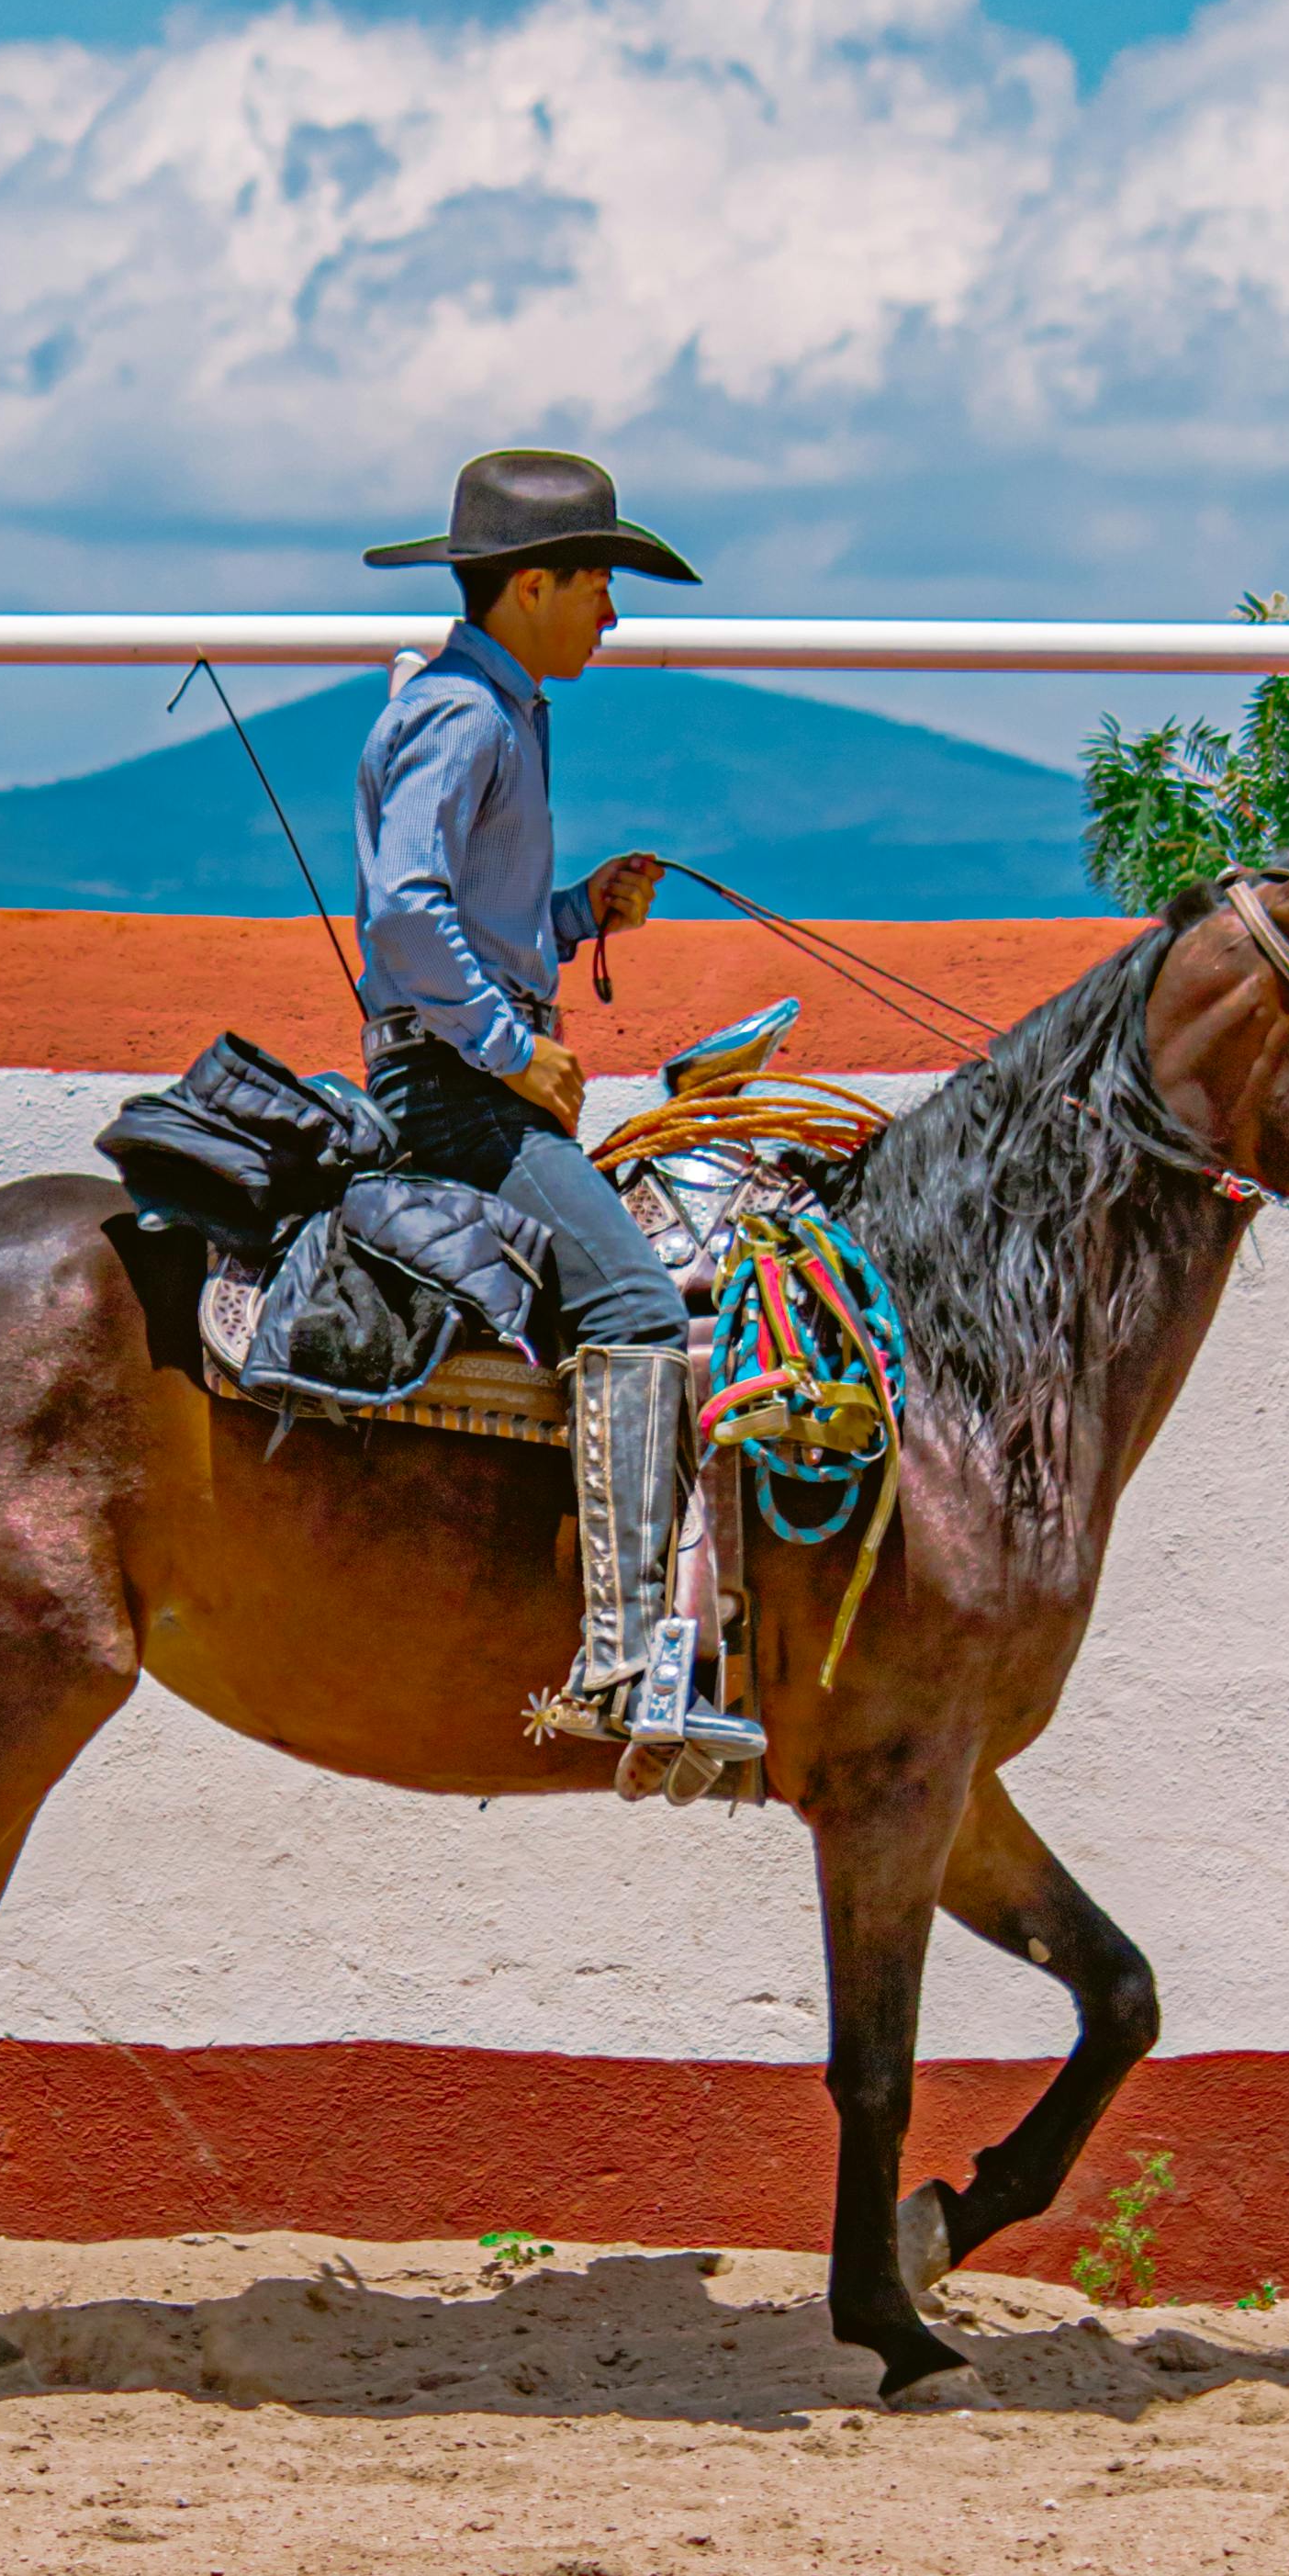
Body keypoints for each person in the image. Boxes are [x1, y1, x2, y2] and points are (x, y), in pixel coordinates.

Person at [358, 446, 764, 1787]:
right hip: (459, 1087)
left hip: (469, 1065)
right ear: (530, 584)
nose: (610, 612)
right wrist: (507, 1050)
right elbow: (406, 911)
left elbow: (467, 912)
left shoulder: (500, 708)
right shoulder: (471, 718)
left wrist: (584, 911)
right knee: (643, 1306)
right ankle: (622, 1654)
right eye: (595, 581)